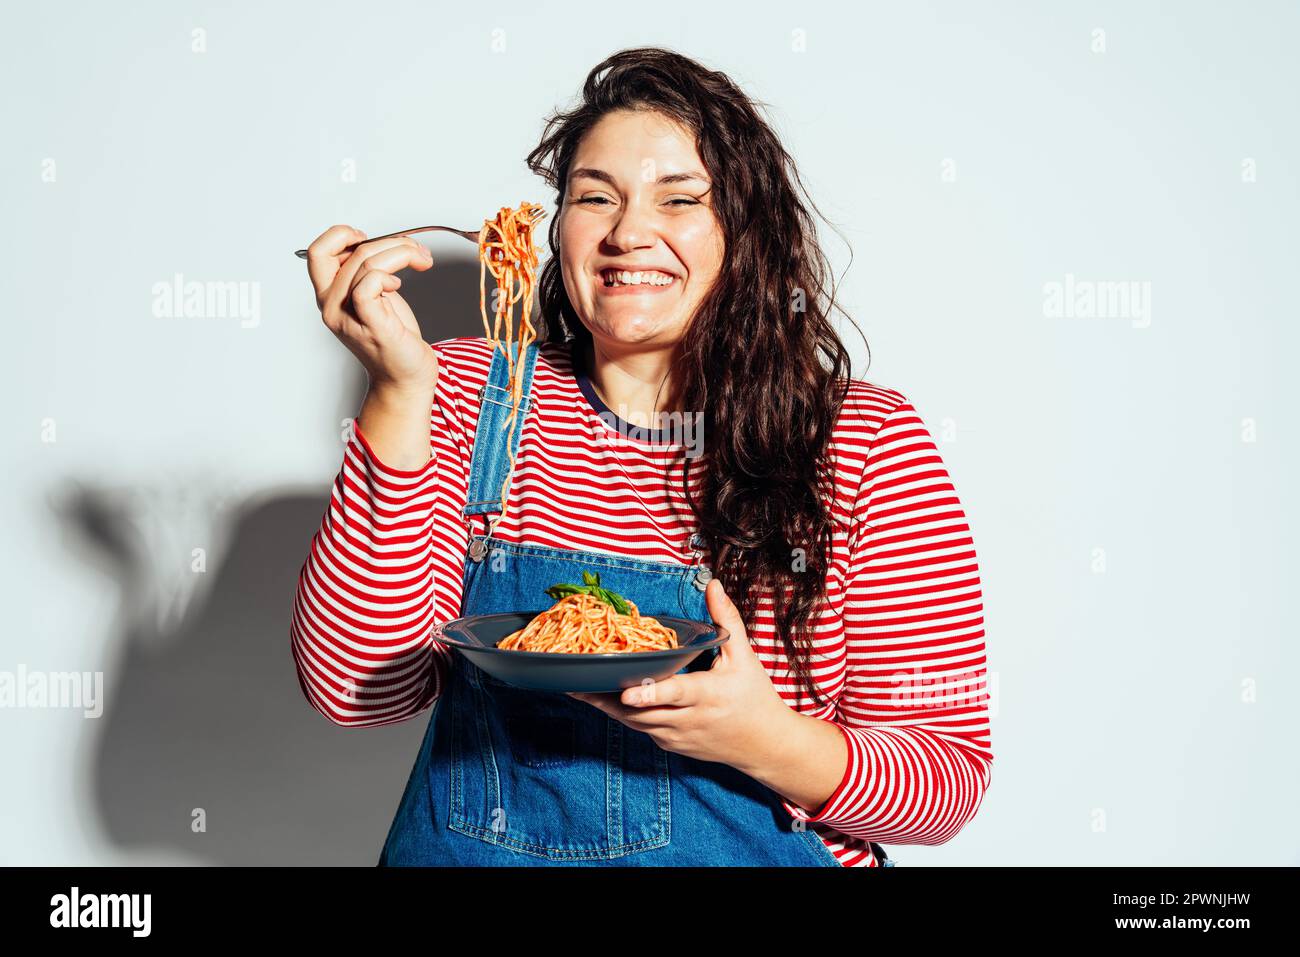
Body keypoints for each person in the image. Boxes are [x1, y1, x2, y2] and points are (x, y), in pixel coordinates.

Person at [293, 47, 993, 867]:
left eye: (680, 198)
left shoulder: (859, 439)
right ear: (557, 228)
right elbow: (357, 690)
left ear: (745, 232)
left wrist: (763, 738)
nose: (629, 231)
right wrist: (397, 394)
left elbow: (947, 776)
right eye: (595, 196)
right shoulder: (469, 392)